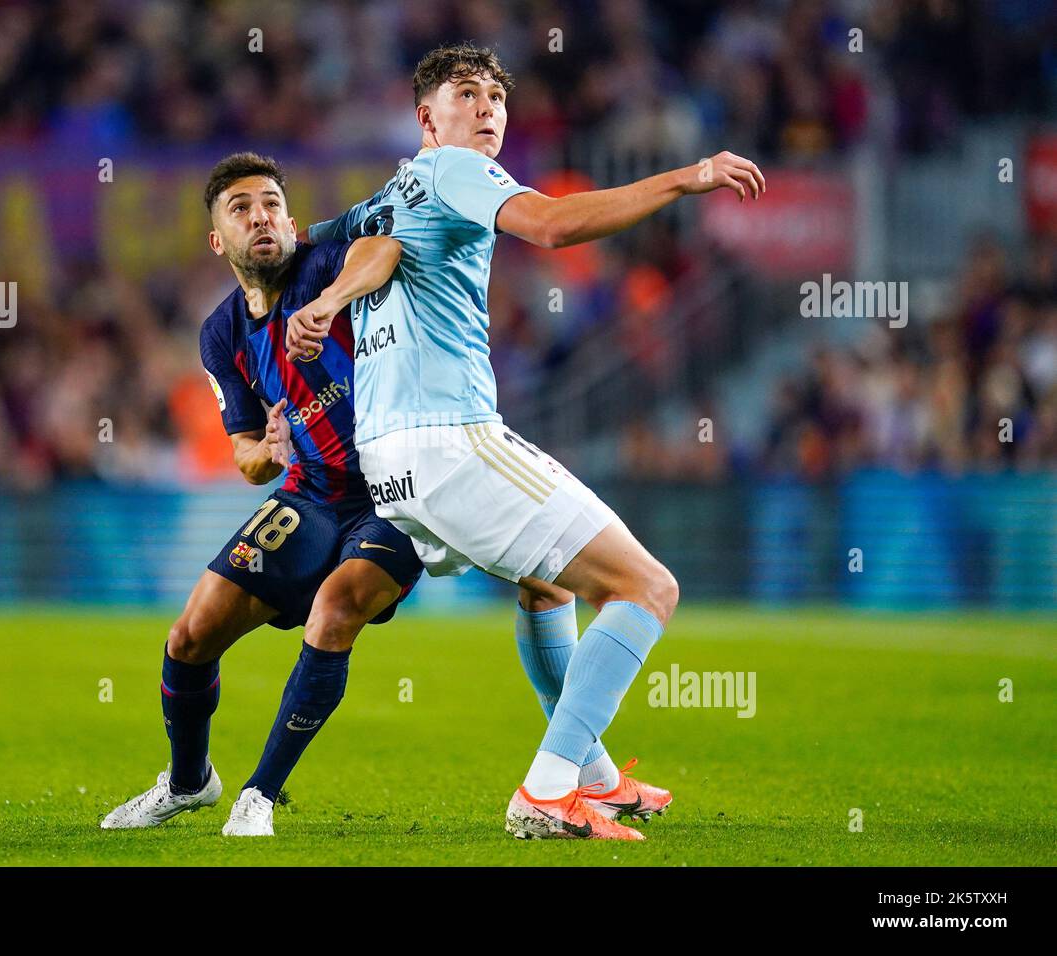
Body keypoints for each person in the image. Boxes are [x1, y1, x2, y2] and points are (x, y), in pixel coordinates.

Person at [288, 44, 765, 840]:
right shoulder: (450, 172)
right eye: (465, 94)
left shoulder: (382, 200)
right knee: (648, 588)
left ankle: (597, 778)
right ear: (425, 118)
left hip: (392, 464)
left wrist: (287, 259)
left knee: (548, 588)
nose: (486, 110)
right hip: (450, 440)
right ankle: (545, 792)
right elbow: (547, 225)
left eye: (496, 99)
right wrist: (689, 177)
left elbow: (315, 243)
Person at [102, 152, 422, 837]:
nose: (262, 216)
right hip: (310, 494)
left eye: (273, 203)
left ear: (293, 221)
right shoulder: (222, 334)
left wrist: (332, 304)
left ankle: (261, 796)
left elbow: (386, 248)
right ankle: (190, 783)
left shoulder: (323, 266)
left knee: (334, 612)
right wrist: (265, 452)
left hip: (400, 487)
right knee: (189, 637)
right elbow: (245, 452)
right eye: (242, 208)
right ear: (219, 240)